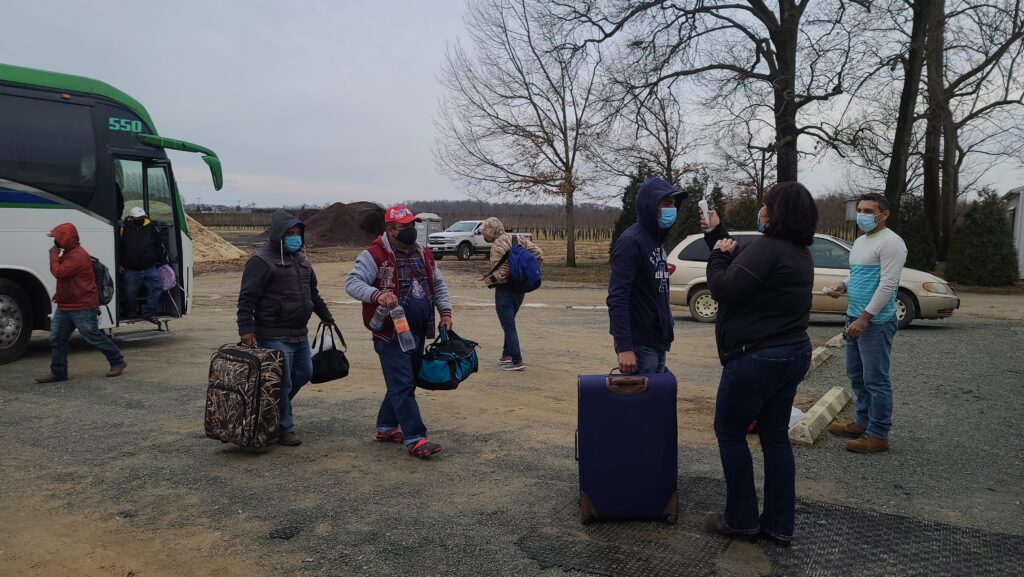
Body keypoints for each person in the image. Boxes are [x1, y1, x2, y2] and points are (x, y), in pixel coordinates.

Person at [698, 182, 817, 547]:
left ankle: (741, 519)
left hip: (757, 358)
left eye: (766, 206)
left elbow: (726, 287)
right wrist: (718, 235)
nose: (761, 211)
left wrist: (717, 256)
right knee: (775, 438)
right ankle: (779, 524)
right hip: (793, 352)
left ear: (777, 213)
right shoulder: (797, 251)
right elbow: (748, 268)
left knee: (731, 434)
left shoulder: (769, 249)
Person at [345, 205, 453, 459]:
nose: (411, 231)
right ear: (390, 230)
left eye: (412, 226)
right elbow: (352, 283)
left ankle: (386, 427)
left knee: (404, 381)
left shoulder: (424, 254)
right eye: (405, 227)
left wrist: (445, 312)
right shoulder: (374, 255)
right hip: (389, 334)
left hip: (416, 331)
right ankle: (415, 437)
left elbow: (437, 284)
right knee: (403, 383)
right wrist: (377, 295)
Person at [236, 209, 335, 447]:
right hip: (273, 332)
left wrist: (325, 315)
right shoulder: (261, 261)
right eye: (290, 233)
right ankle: (284, 428)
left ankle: (269, 412)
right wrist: (246, 328)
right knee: (283, 382)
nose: (295, 237)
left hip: (299, 332)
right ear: (278, 234)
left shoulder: (301, 260)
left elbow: (312, 293)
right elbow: (247, 298)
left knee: (305, 373)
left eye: (298, 233)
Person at [826, 192, 907, 454]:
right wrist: (843, 285)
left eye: (869, 211)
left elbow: (888, 285)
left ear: (884, 215)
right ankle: (862, 423)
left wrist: (865, 317)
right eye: (860, 209)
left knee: (876, 379)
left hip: (875, 322)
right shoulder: (861, 241)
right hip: (854, 316)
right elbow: (858, 275)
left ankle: (878, 433)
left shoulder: (892, 243)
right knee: (857, 375)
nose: (862, 214)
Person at [607, 176, 686, 374]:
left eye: (674, 204)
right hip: (639, 343)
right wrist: (625, 346)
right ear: (651, 206)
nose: (672, 209)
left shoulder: (656, 240)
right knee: (641, 402)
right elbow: (617, 297)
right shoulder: (631, 242)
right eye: (667, 203)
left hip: (657, 340)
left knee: (655, 401)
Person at [36, 223, 127, 383]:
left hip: (82, 306)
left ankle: (118, 361)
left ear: (66, 240)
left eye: (57, 239)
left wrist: (53, 255)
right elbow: (69, 280)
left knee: (92, 336)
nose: (55, 243)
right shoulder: (68, 253)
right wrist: (59, 294)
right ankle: (58, 372)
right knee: (57, 338)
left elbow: (59, 272)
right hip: (66, 305)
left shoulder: (77, 255)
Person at [480, 217, 543, 371]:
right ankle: (506, 355)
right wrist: (525, 271)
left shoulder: (496, 246)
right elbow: (539, 253)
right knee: (509, 323)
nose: (484, 235)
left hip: (505, 291)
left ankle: (517, 360)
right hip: (520, 289)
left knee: (509, 326)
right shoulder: (517, 238)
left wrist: (490, 279)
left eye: (485, 232)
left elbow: (501, 272)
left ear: (491, 231)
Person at [119, 207, 167, 325]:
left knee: (156, 289)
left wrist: (162, 262)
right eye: (138, 218)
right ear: (131, 218)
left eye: (142, 218)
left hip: (150, 267)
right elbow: (118, 247)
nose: (140, 219)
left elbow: (158, 244)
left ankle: (150, 313)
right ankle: (130, 312)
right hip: (131, 268)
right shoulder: (123, 229)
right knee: (130, 293)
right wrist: (119, 263)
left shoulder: (151, 227)